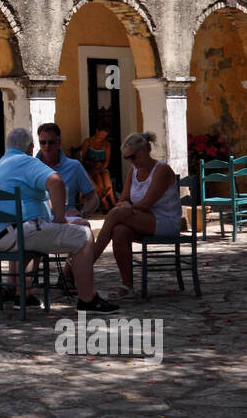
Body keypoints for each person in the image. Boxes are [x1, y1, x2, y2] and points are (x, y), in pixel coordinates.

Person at [0, 127, 118, 311]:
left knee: (33, 235)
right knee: (84, 236)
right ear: (31, 147)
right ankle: (87, 299)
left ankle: (23, 295)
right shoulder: (27, 162)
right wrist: (60, 219)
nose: (46, 146)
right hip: (13, 234)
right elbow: (56, 182)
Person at [92, 131, 182, 299]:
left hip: (165, 221)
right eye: (127, 158)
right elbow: (123, 199)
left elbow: (147, 204)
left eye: (133, 156)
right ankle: (127, 285)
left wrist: (124, 209)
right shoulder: (133, 172)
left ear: (146, 149)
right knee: (119, 230)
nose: (131, 161)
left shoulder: (161, 169)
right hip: (143, 218)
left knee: (116, 215)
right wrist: (124, 206)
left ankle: (86, 264)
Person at [36, 122, 100, 219]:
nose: (47, 146)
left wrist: (82, 214)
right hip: (39, 224)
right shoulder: (32, 167)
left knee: (85, 230)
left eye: (51, 142)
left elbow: (93, 198)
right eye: (43, 142)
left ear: (58, 143)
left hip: (66, 223)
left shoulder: (74, 167)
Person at [81, 115, 117, 211]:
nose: (103, 137)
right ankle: (105, 202)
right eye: (101, 134)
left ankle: (111, 202)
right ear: (97, 131)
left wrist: (100, 167)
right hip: (89, 169)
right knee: (98, 178)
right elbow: (81, 160)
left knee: (105, 175)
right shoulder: (88, 142)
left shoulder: (106, 144)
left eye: (105, 135)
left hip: (100, 168)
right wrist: (92, 164)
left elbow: (106, 161)